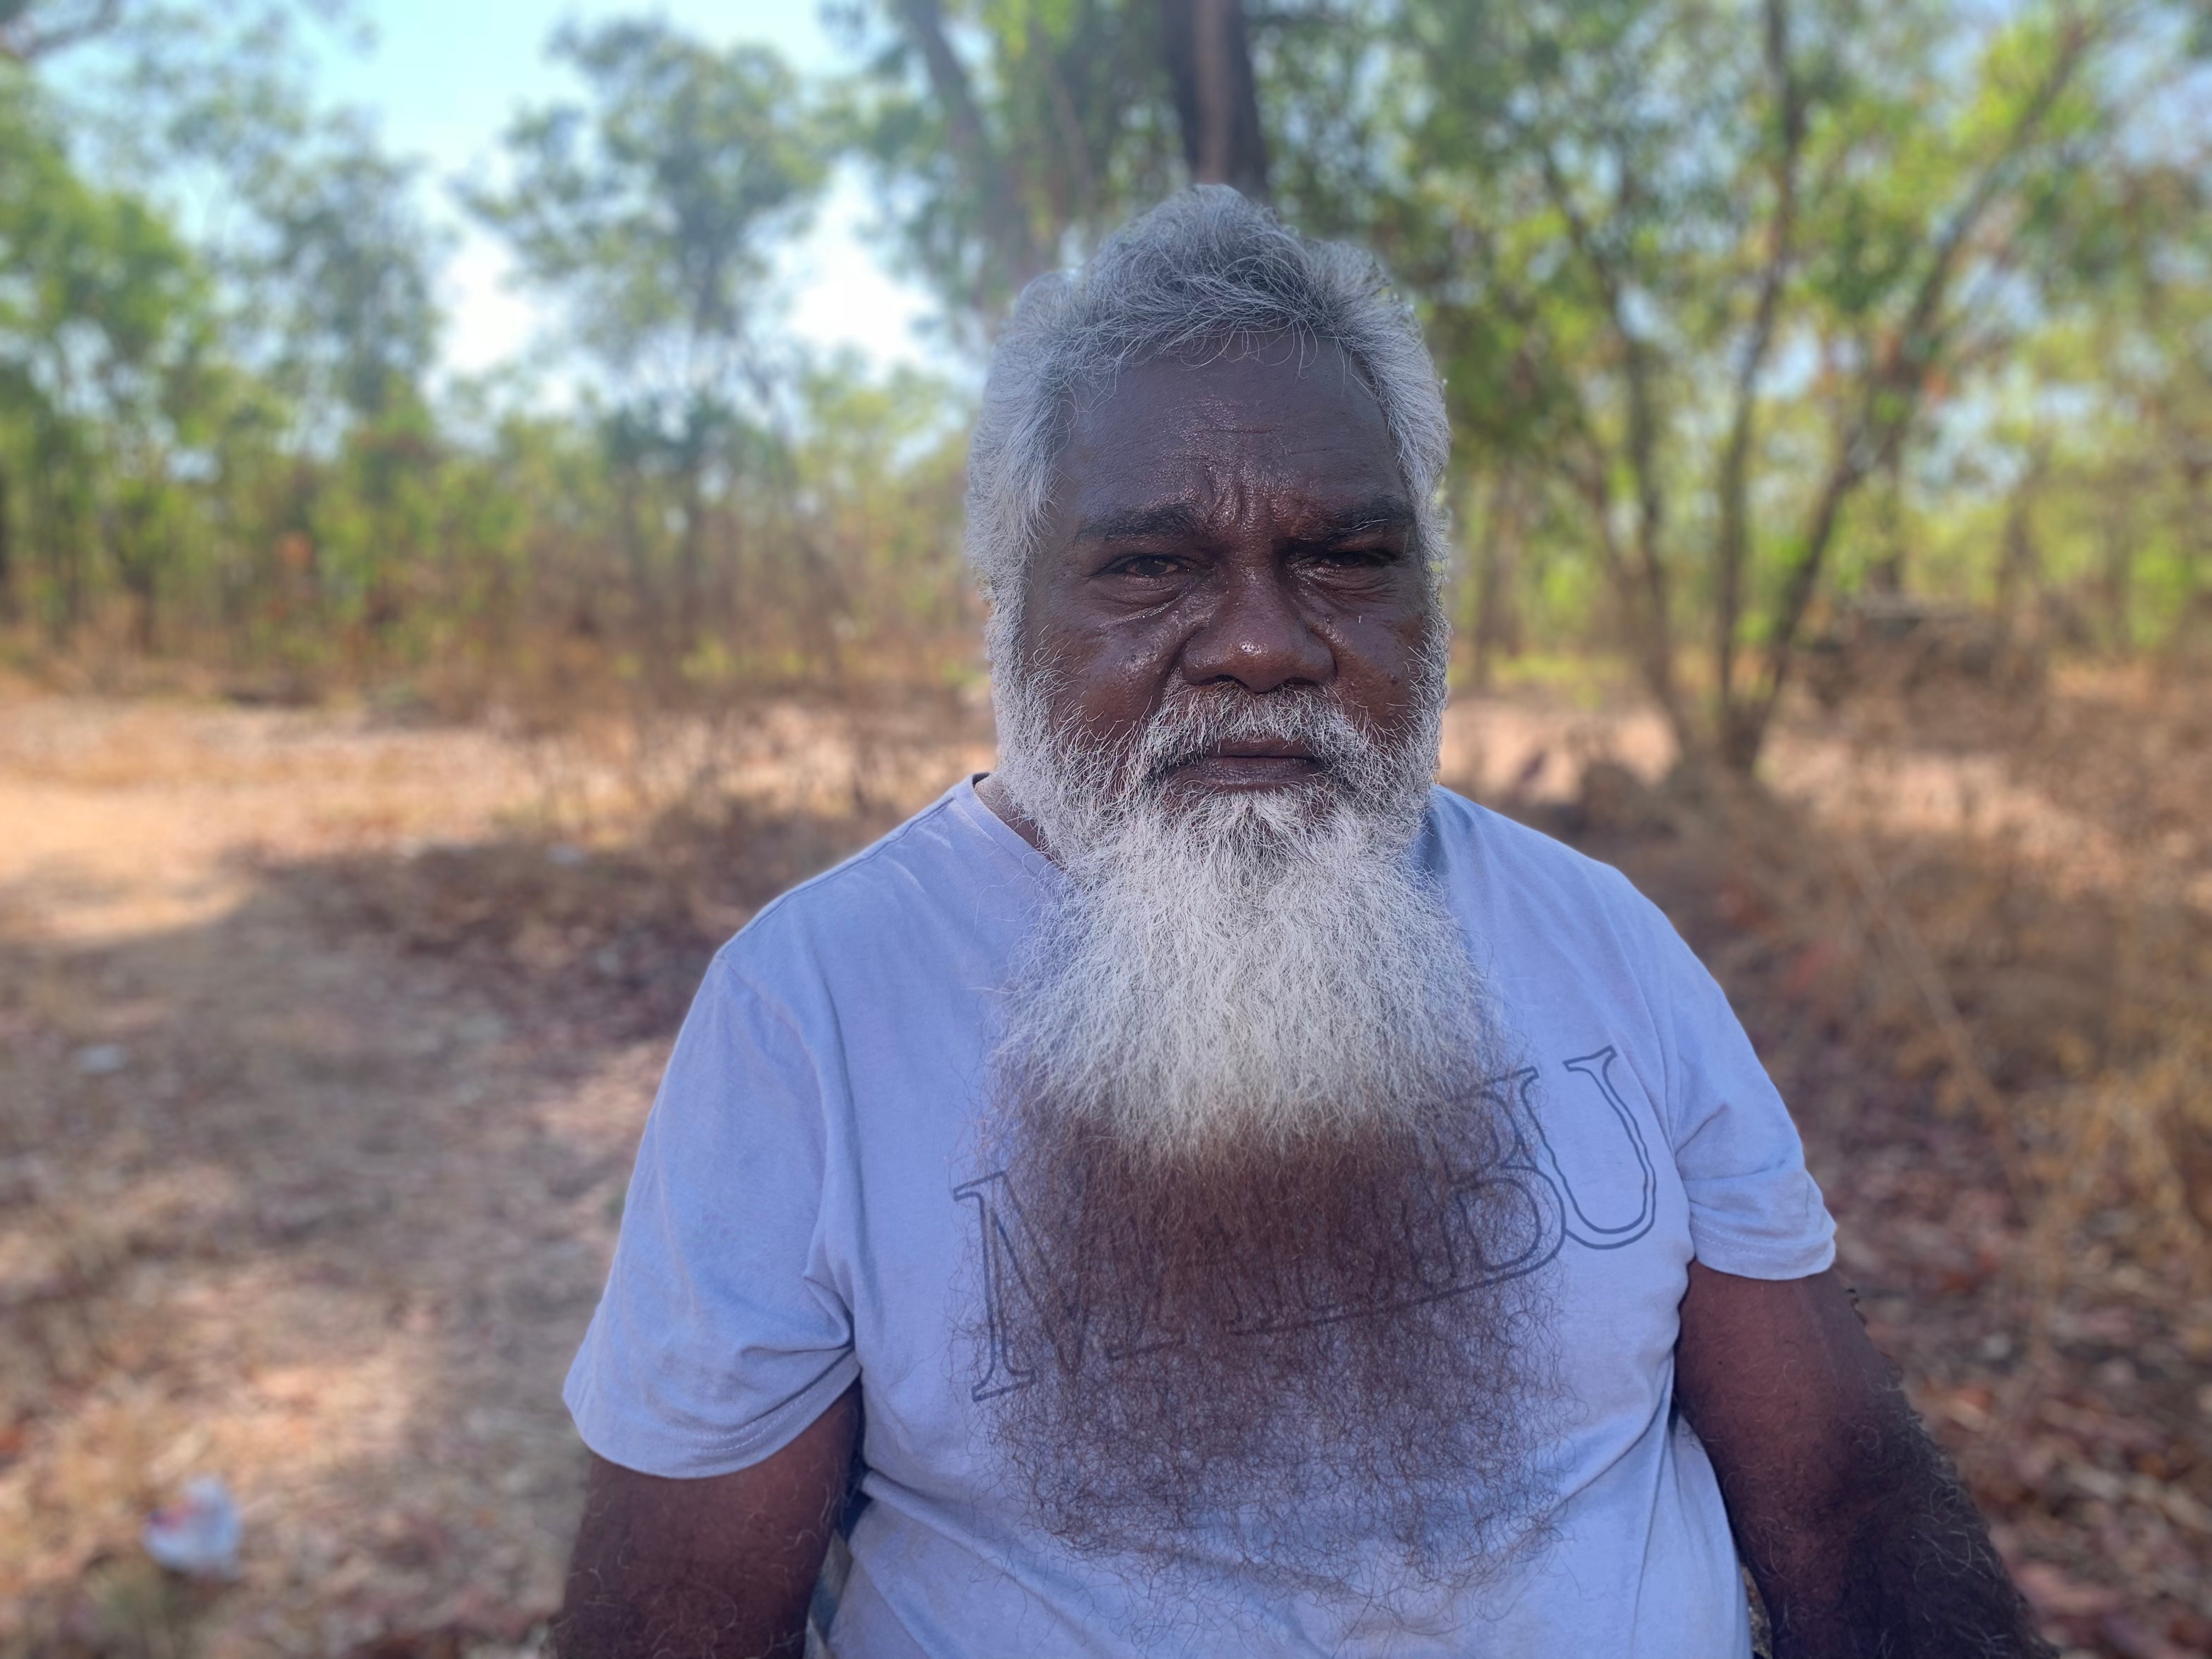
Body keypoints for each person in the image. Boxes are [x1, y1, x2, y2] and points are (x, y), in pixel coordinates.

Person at [551, 189, 2050, 1659]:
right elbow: (677, 1627)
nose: (1263, 644)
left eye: (1343, 559)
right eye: (1152, 566)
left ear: (1429, 602)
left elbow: (1845, 1497)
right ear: (1010, 611)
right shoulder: (813, 1010)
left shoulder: (1603, 940)